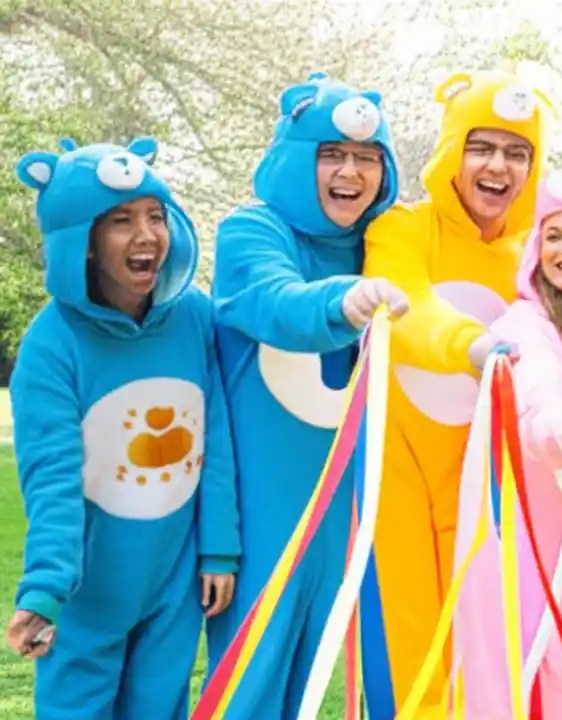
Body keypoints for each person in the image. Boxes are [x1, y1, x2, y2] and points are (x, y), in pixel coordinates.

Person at [9, 136, 239, 719]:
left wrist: (218, 549)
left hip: (171, 583)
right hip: (90, 588)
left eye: (156, 216)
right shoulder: (51, 346)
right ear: (82, 243)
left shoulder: (194, 316)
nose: (146, 235)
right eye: (120, 220)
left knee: (161, 708)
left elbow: (217, 436)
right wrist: (46, 587)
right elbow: (53, 481)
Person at [205, 72, 405, 718]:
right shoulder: (251, 230)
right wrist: (342, 300)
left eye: (368, 159)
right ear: (296, 159)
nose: (352, 173)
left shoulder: (383, 243)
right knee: (254, 673)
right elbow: (271, 298)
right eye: (332, 155)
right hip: (265, 507)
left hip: (352, 501)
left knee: (331, 671)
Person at [359, 70, 550, 716]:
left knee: (492, 662)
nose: (499, 166)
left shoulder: (536, 254)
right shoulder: (402, 228)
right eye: (482, 146)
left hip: (492, 486)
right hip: (402, 481)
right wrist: (473, 346)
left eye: (517, 152)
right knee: (413, 658)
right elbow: (402, 307)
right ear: (451, 152)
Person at [456, 165, 562, 718]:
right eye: (553, 235)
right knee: (504, 668)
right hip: (513, 532)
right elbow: (535, 403)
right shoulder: (523, 324)